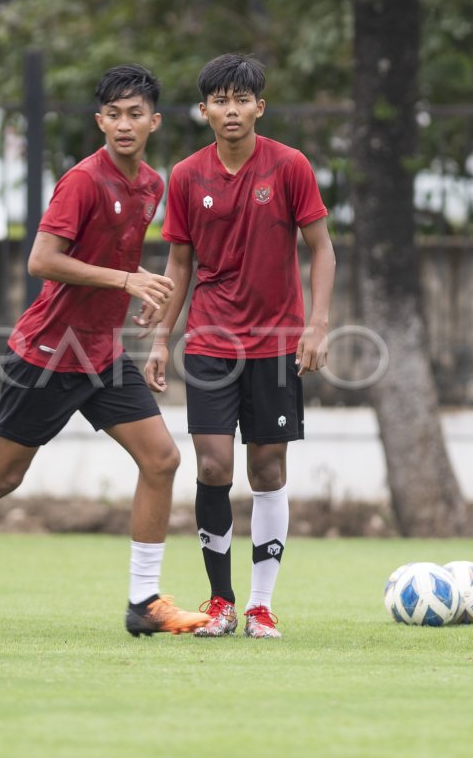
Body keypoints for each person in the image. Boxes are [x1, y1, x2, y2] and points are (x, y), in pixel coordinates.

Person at [0, 64, 210, 639]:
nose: (123, 124)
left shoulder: (152, 185)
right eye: (112, 114)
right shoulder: (83, 181)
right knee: (1, 477)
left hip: (101, 354)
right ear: (99, 121)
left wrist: (141, 282)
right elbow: (42, 260)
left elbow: (107, 257)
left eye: (135, 113)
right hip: (46, 353)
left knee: (162, 459)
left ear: (154, 122)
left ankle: (143, 603)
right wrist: (125, 280)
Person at [142, 53, 336, 639]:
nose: (232, 110)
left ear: (259, 106)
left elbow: (322, 248)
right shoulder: (186, 176)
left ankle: (259, 605)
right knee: (212, 464)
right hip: (209, 340)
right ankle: (221, 601)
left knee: (269, 469)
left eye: (242, 99)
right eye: (220, 100)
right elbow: (179, 262)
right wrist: (159, 340)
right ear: (203, 111)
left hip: (277, 342)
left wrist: (318, 323)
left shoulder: (290, 166)